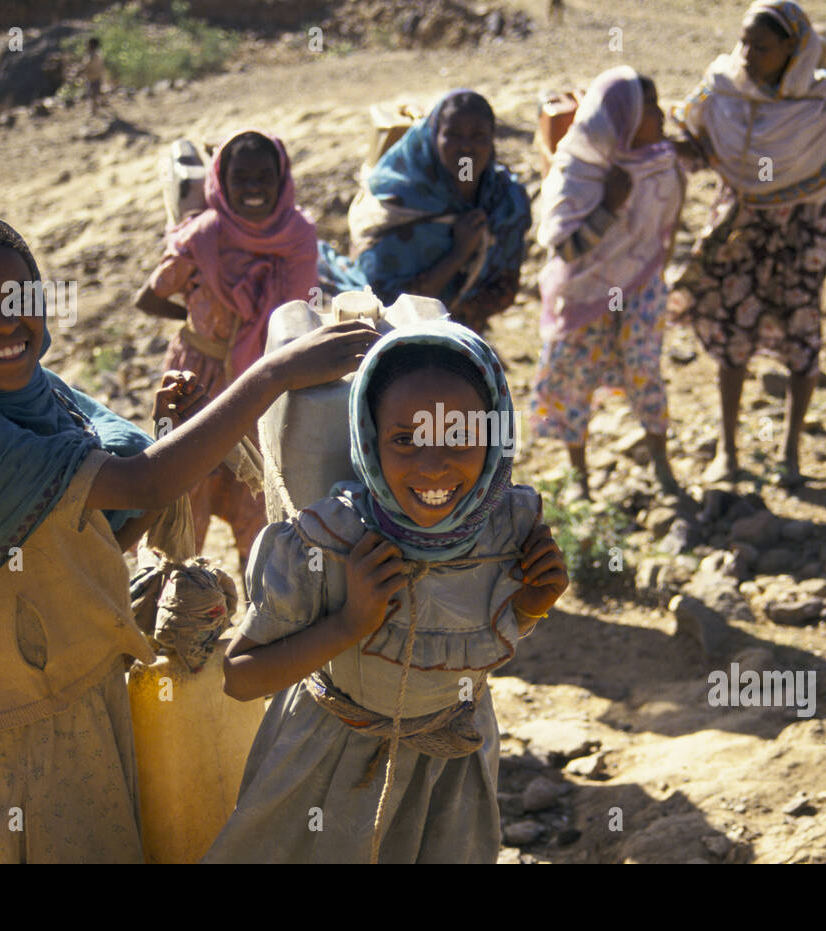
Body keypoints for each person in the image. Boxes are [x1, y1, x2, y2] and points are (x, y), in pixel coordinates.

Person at [0, 209, 377, 863]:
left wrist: (177, 433)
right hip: (22, 737)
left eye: (18, 296)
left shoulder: (38, 399)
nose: (4, 322)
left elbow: (105, 530)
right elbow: (141, 482)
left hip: (87, 697)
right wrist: (270, 376)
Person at [204, 322, 569, 863]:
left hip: (448, 770)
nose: (433, 463)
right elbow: (239, 678)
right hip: (327, 766)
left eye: (459, 436)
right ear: (369, 443)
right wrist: (349, 624)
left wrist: (530, 605)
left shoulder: (506, 529)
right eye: (405, 439)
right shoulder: (329, 541)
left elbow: (469, 649)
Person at [669, 0, 826, 487]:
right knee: (732, 333)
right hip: (739, 232)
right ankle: (728, 450)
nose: (745, 54)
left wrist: (801, 195)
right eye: (743, 42)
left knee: (801, 337)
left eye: (760, 46)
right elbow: (696, 147)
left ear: (793, 49)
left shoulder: (821, 108)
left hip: (799, 238)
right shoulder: (721, 91)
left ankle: (790, 454)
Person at [135, 129, 318, 573]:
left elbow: (302, 315)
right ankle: (179, 607)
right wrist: (205, 324)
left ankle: (261, 596)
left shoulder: (297, 239)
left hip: (263, 382)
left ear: (282, 179)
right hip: (193, 380)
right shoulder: (204, 236)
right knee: (183, 484)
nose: (253, 188)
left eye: (264, 177)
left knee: (259, 489)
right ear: (222, 181)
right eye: (242, 178)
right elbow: (150, 296)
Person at [530, 67, 686, 501]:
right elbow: (566, 247)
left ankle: (662, 466)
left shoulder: (659, 160)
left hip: (640, 292)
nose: (660, 116)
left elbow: (666, 224)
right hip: (584, 295)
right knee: (573, 379)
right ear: (625, 117)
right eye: (650, 107)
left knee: (644, 373)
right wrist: (609, 207)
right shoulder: (579, 170)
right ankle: (579, 478)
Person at [317, 89, 531, 336]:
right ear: (432, 136)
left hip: (463, 336)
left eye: (478, 135)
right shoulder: (399, 198)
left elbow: (504, 288)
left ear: (492, 140)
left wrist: (457, 329)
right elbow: (384, 303)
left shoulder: (506, 201)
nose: (466, 147)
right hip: (393, 337)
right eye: (453, 134)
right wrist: (458, 254)